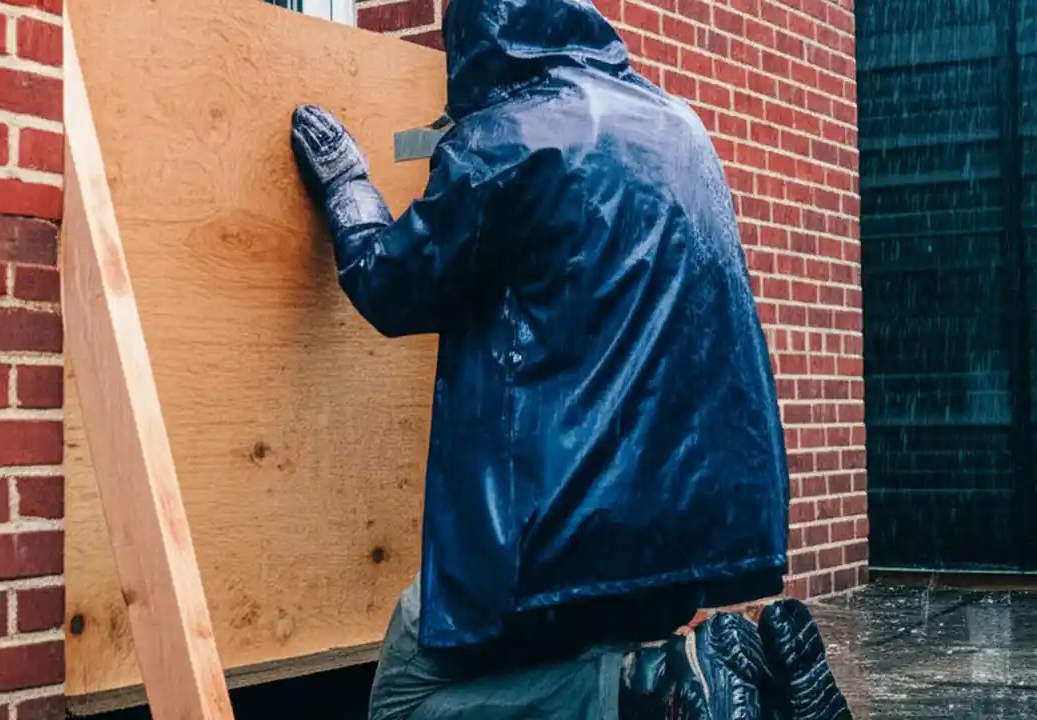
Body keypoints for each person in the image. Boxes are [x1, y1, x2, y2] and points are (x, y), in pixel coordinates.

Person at [290, 0, 851, 717]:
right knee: (595, 653)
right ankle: (751, 683)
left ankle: (653, 689)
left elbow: (392, 287)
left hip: (561, 537)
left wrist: (350, 191)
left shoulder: (502, 140)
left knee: (406, 697)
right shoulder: (680, 126)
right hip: (694, 535)